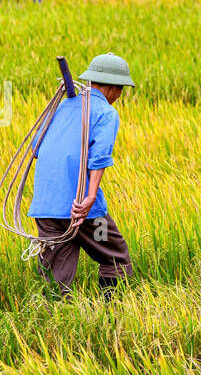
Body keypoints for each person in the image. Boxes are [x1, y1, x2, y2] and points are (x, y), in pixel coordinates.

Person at [28, 53, 135, 298]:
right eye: (120, 90)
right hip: (84, 212)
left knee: (55, 275)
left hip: (46, 209)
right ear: (112, 88)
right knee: (115, 256)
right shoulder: (106, 113)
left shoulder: (64, 105)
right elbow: (99, 158)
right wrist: (89, 198)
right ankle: (111, 313)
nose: (119, 96)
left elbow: (36, 147)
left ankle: (53, 324)